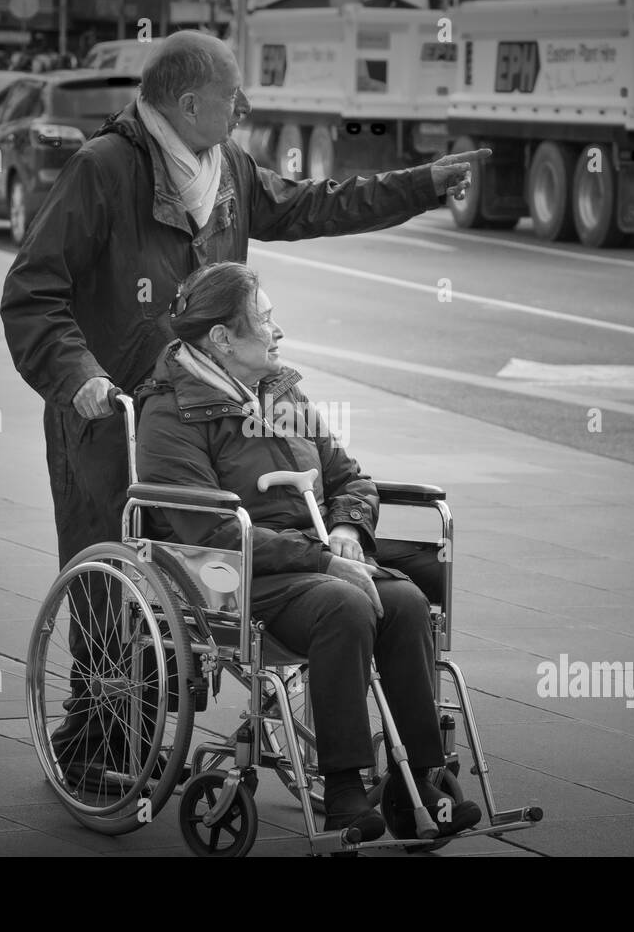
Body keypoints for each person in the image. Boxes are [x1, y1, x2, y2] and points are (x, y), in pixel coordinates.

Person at [0, 29, 487, 786]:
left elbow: (316, 204)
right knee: (110, 585)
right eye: (234, 97)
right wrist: (79, 373)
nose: (245, 109)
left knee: (207, 570)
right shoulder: (103, 172)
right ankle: (97, 737)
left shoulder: (224, 168)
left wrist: (422, 186)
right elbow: (33, 293)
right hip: (110, 417)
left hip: (213, 409)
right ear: (191, 103)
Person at [133, 261, 482, 840]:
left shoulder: (281, 393)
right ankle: (345, 790)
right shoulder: (170, 414)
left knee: (408, 602)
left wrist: (347, 530)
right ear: (222, 339)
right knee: (343, 605)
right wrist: (323, 560)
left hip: (315, 554)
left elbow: (351, 478)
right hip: (234, 573)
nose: (278, 332)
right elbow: (213, 534)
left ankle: (419, 782)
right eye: (265, 321)